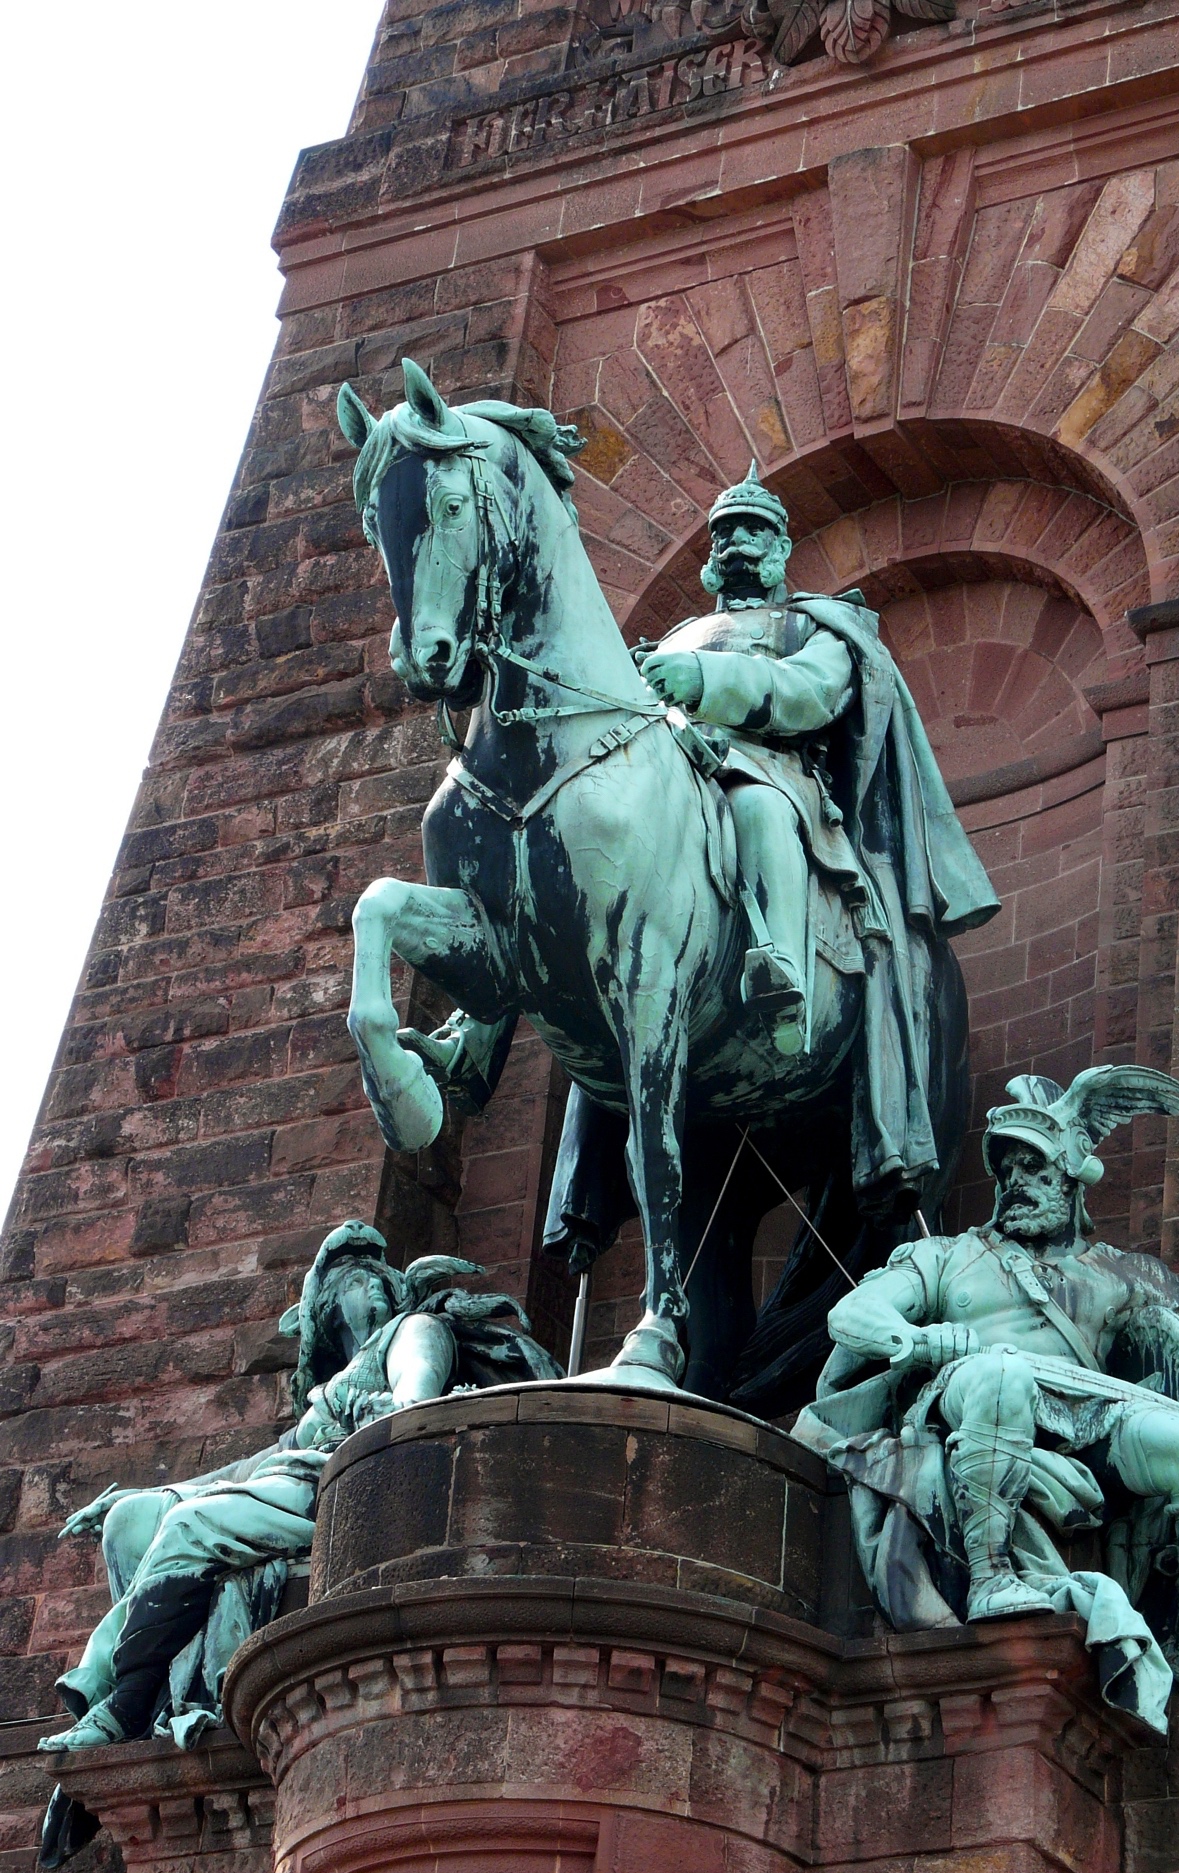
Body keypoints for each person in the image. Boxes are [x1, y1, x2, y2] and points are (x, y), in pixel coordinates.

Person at [795, 1067, 1179, 1726]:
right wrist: (915, 1341)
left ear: (1072, 1175)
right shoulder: (945, 1257)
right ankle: (992, 1571)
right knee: (999, 1373)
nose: (1015, 1183)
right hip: (976, 1394)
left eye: (1034, 1167)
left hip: (1087, 1418)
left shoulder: (1120, 1275)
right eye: (1006, 1170)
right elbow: (853, 1315)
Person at [39, 1221, 561, 1755]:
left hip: (341, 1483)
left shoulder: (412, 1331)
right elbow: (245, 1469)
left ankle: (126, 1702)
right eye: (352, 1280)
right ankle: (133, 1694)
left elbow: (414, 1398)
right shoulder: (331, 1386)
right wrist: (132, 1497)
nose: (368, 1287)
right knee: (132, 1520)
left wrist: (386, 1412)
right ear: (327, 1309)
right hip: (287, 1482)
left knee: (188, 1524)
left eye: (373, 1275)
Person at [637, 461, 998, 1201]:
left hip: (778, 777)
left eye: (753, 530)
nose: (737, 542)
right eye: (725, 532)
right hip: (669, 780)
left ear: (779, 547)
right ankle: (479, 1030)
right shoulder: (675, 632)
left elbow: (810, 695)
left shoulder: (817, 624)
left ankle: (781, 968)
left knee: (758, 808)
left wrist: (702, 682)